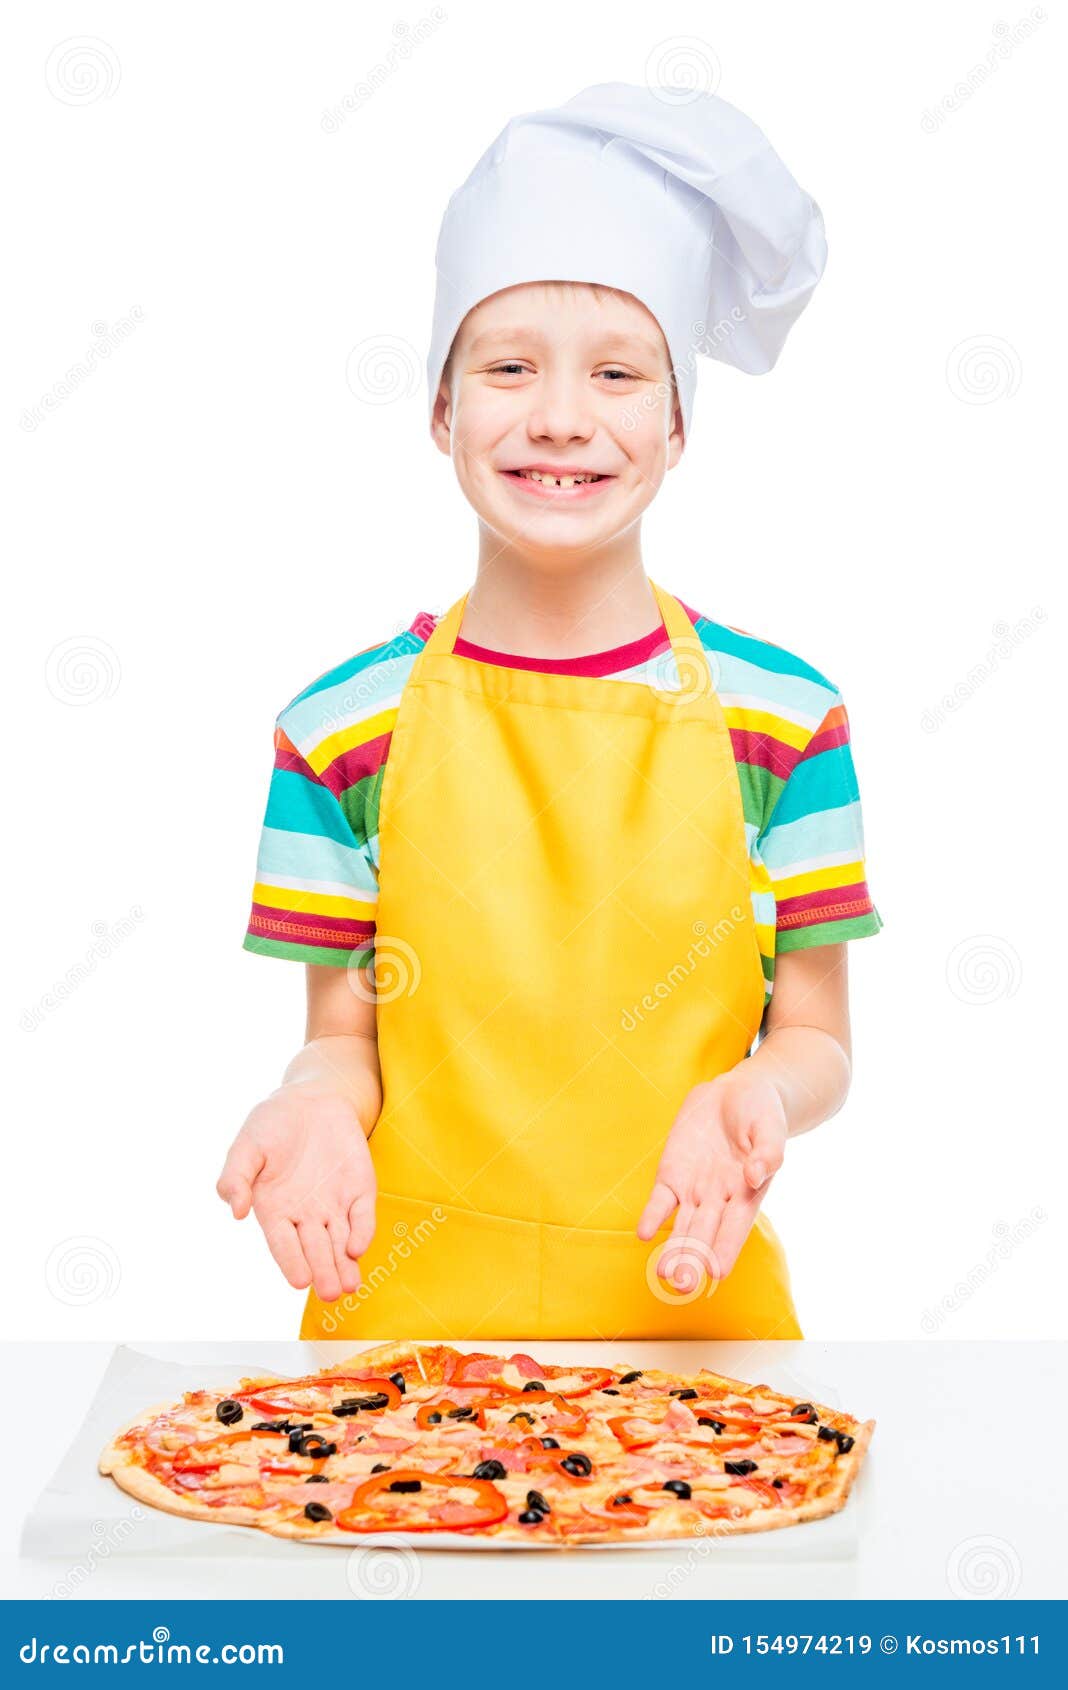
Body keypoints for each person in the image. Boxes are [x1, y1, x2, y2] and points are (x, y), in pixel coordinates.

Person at [218, 83, 882, 1341]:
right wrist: (309, 1100)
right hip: (403, 1351)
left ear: (678, 421)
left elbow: (818, 1035)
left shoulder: (787, 723)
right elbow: (344, 1043)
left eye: (619, 373)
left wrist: (763, 1097)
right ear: (440, 407)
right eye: (509, 365)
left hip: (697, 1353)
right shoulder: (337, 731)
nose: (562, 416)